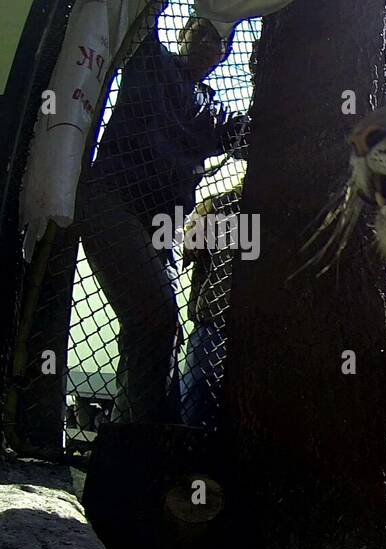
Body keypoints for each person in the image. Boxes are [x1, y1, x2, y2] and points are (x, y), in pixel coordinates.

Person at [78, 12, 247, 424]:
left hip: (163, 229)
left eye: (218, 41)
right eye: (201, 31)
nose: (208, 44)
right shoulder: (149, 59)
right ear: (183, 31)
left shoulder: (212, 109)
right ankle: (137, 436)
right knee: (156, 313)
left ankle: (134, 431)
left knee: (159, 330)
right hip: (113, 200)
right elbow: (142, 16)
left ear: (224, 55)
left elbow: (247, 136)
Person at [179, 183, 242, 429]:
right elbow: (189, 249)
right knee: (196, 406)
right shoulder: (221, 204)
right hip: (215, 322)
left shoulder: (222, 204)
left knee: (199, 406)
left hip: (220, 321)